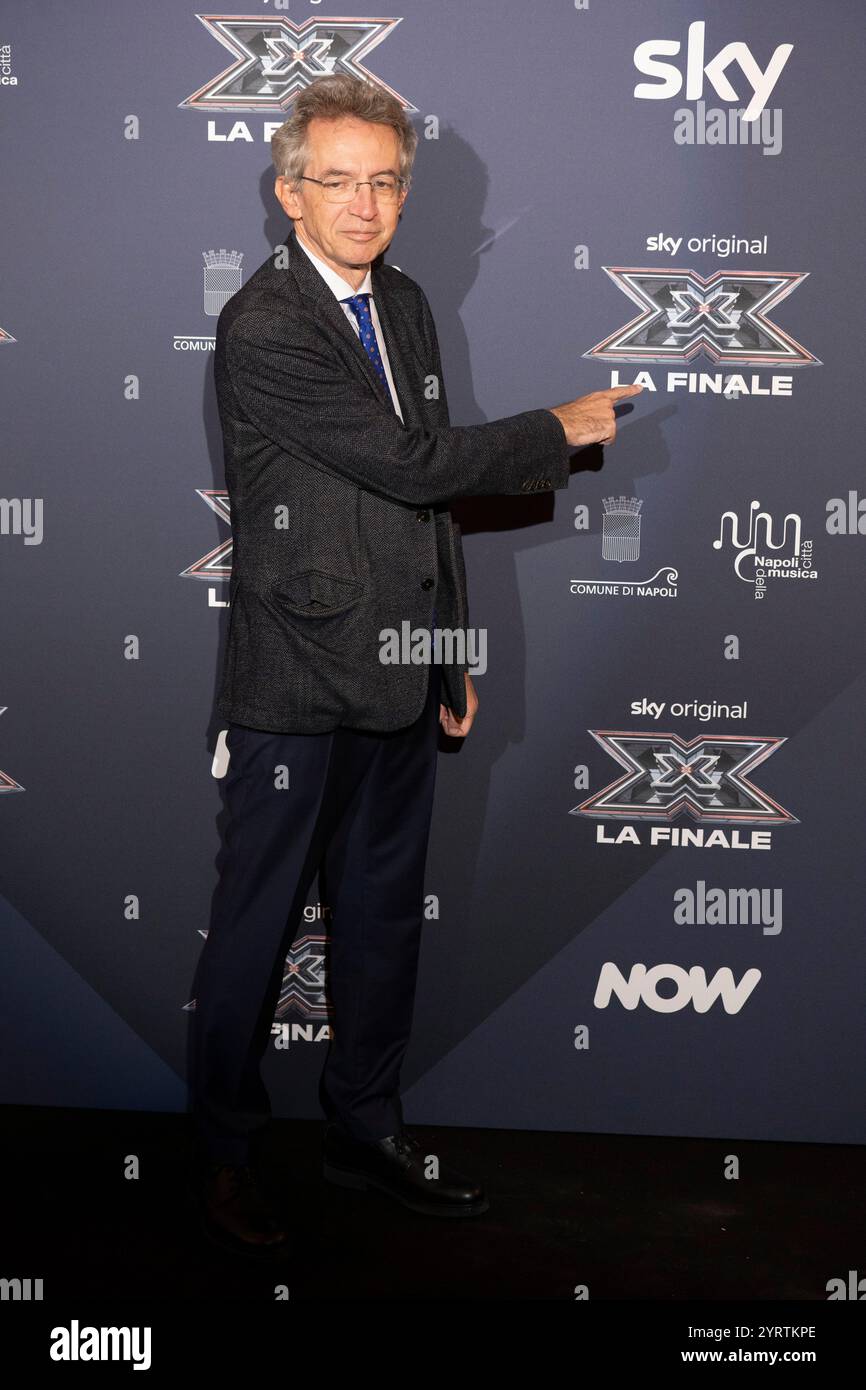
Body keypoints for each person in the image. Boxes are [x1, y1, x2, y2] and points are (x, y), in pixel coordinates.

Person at [189, 72, 641, 1257]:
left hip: (398, 669)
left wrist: (443, 650)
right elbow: (406, 461)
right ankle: (222, 1160)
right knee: (254, 933)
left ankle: (362, 1132)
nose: (364, 204)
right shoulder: (266, 322)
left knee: (382, 923)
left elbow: (420, 512)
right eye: (336, 181)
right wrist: (559, 430)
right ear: (290, 194)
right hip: (295, 680)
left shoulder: (405, 303)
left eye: (384, 180)